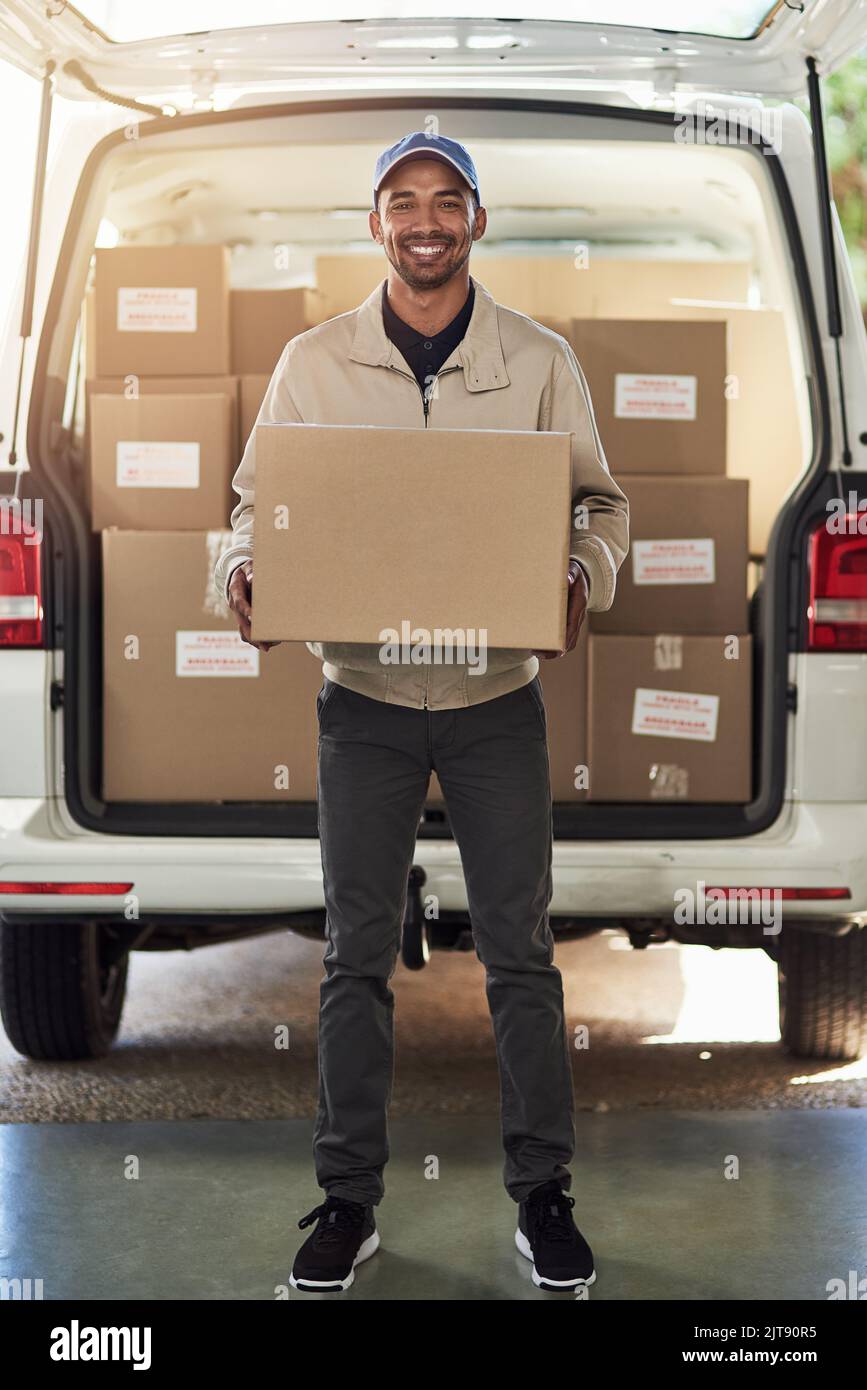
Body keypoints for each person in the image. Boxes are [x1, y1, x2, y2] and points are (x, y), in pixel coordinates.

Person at [214, 132, 629, 1294]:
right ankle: (347, 1202)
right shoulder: (314, 363)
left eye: (448, 201)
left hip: (498, 698)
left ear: (478, 222)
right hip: (367, 700)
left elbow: (601, 503)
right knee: (353, 956)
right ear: (377, 224)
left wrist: (582, 575)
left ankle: (543, 1194)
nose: (426, 220)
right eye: (404, 202)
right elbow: (252, 513)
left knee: (521, 955)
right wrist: (243, 579)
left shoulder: (539, 360)